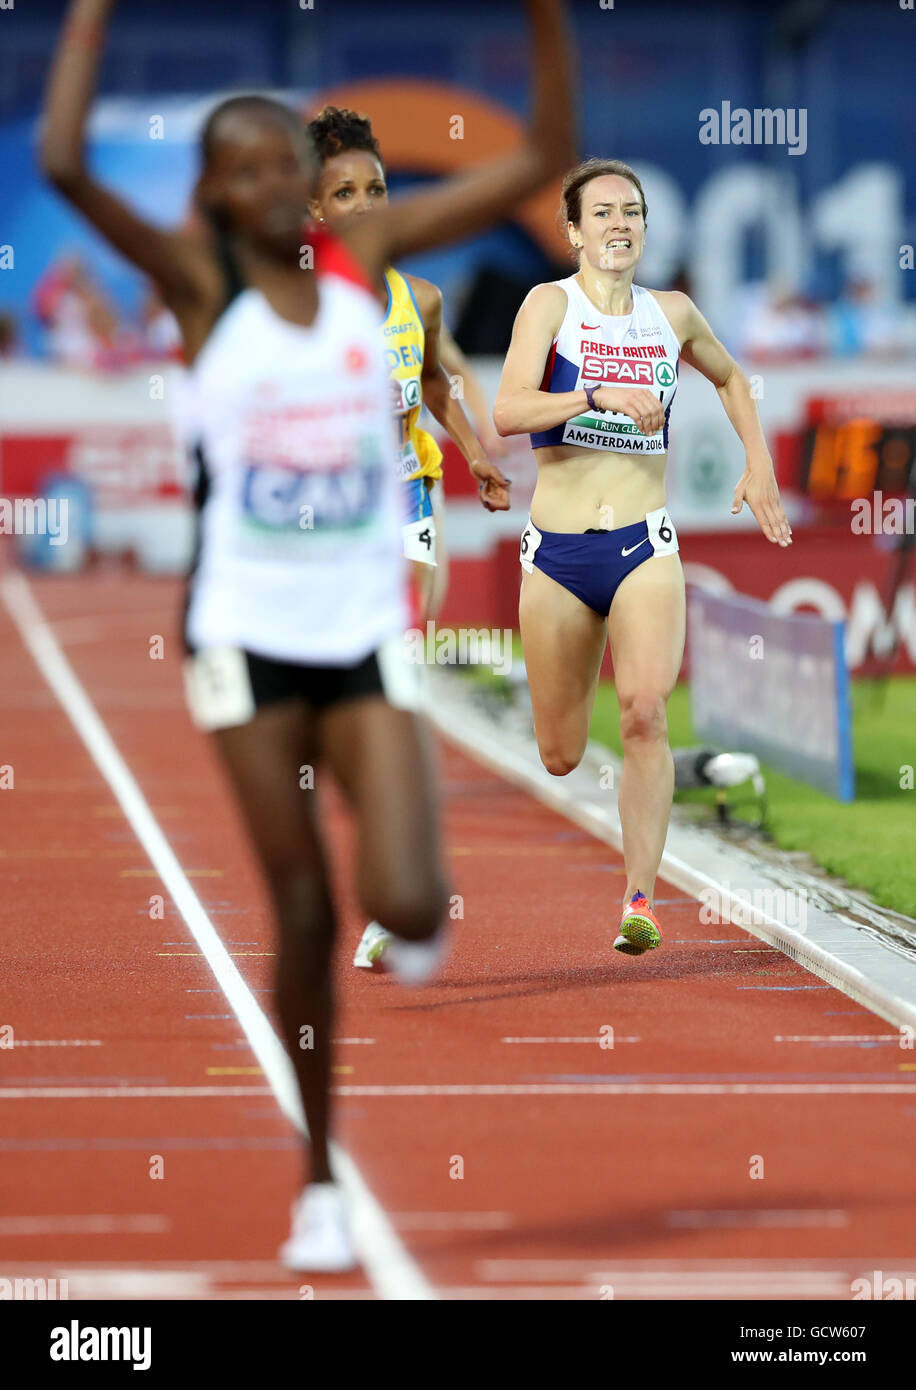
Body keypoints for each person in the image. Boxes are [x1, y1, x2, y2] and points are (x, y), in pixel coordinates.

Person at [41, 0, 574, 1271]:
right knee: (299, 904)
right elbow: (63, 164)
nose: (283, 186)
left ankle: (410, 913)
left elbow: (545, 145)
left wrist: (545, 18)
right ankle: (320, 1179)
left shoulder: (372, 251)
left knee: (397, 894)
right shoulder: (196, 283)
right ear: (214, 196)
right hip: (241, 636)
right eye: (252, 171)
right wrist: (88, 20)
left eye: (293, 163)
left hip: (357, 628)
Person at [494, 157, 792, 956]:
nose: (619, 225)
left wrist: (755, 461)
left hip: (642, 543)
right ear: (573, 232)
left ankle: (640, 901)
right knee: (559, 754)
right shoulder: (547, 305)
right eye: (602, 214)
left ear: (646, 227)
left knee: (643, 712)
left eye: (632, 212)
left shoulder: (675, 314)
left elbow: (733, 380)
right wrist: (595, 395)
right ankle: (649, 808)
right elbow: (508, 409)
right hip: (556, 553)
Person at [306, 104, 511, 973]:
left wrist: (477, 455)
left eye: (378, 187)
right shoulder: (295, 300)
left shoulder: (419, 297)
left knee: (399, 680)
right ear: (315, 211)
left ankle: (395, 894)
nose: (365, 201)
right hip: (327, 520)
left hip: (410, 499)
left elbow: (431, 378)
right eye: (344, 191)